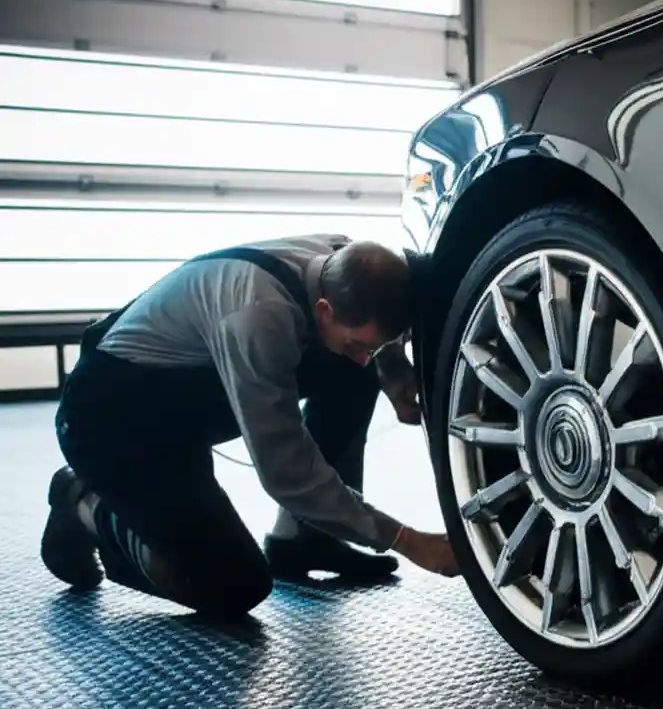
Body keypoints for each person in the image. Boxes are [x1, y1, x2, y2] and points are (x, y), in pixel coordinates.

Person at [40, 234, 459, 617]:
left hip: (184, 397)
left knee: (351, 368)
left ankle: (304, 538)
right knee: (234, 586)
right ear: (325, 308)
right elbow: (287, 472)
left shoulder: (344, 260)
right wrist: (407, 539)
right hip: (114, 422)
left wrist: (394, 372)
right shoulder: (260, 316)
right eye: (361, 343)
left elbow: (370, 328)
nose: (364, 354)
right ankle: (81, 501)